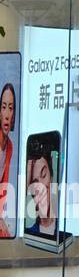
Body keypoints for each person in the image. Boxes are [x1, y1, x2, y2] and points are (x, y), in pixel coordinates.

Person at [25, 136, 57, 237]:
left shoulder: (65, 227)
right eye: (34, 182)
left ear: (51, 177)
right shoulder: (29, 233)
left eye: (43, 175)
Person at [0, 82, 16, 237]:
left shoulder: (9, 146)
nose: (6, 114)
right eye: (3, 107)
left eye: (10, 108)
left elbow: (3, 189)